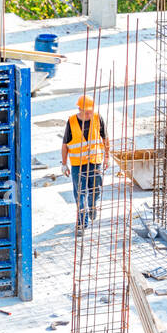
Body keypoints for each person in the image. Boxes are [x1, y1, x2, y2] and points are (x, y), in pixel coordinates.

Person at [60, 95, 110, 233]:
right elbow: (65, 145)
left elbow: (105, 139)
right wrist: (64, 164)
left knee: (96, 190)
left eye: (90, 110)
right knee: (80, 193)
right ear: (79, 109)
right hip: (78, 165)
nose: (89, 114)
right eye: (86, 111)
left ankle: (92, 206)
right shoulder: (71, 122)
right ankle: (82, 223)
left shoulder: (98, 118)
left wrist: (107, 157)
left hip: (95, 161)